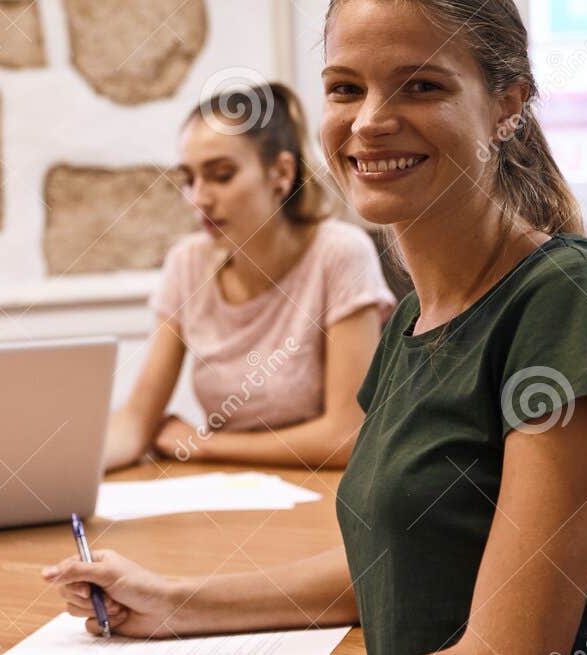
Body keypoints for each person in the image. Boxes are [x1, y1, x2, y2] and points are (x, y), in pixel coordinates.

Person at [0, 0, 587, 655]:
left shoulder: (569, 305)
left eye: (423, 85)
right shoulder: (417, 316)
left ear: (508, 103)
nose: (370, 119)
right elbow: (389, 561)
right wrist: (173, 601)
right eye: (346, 87)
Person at [101, 81, 393, 471]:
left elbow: (345, 437)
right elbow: (137, 421)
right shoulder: (187, 264)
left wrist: (205, 445)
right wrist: (61, 473)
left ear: (281, 173)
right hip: (230, 496)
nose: (199, 199)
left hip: (323, 497)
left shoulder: (340, 253)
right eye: (190, 179)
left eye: (221, 175)